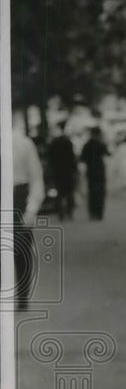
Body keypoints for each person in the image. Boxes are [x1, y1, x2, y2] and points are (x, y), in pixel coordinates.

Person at [12, 112, 45, 311]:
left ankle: (22, 297)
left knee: (21, 249)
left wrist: (31, 208)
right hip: (15, 196)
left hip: (18, 196)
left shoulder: (23, 143)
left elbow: (36, 177)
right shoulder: (23, 142)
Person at [47, 121, 77, 220]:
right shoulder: (68, 142)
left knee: (59, 193)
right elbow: (72, 158)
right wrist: (74, 170)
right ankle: (69, 212)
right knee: (69, 193)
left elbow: (50, 159)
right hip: (68, 171)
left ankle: (60, 213)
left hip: (57, 171)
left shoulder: (53, 143)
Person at [80, 126, 109, 220]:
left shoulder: (86, 145)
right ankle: (99, 213)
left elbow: (82, 158)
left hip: (90, 172)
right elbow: (108, 153)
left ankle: (92, 212)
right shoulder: (101, 144)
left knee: (92, 192)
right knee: (100, 192)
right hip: (100, 171)